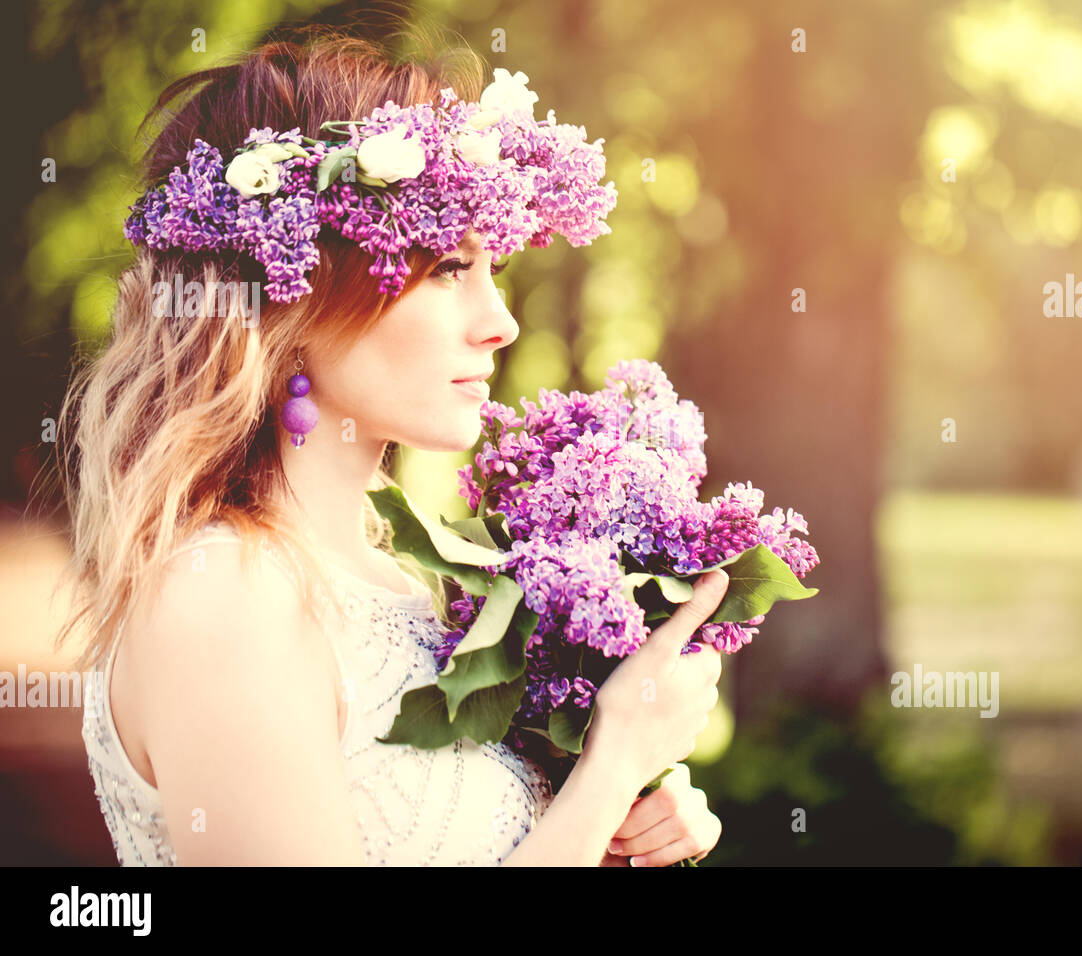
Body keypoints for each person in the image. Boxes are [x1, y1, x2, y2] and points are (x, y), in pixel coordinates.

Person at [55, 21, 724, 866]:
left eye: (495, 270)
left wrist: (622, 823)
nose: (501, 323)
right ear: (291, 291)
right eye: (447, 268)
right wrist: (608, 768)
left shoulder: (423, 590)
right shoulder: (222, 593)